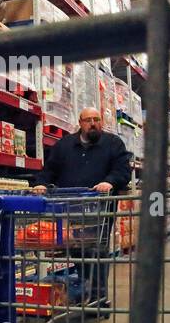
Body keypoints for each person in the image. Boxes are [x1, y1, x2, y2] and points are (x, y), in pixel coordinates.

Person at [31, 107, 131, 305]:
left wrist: (109, 182)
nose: (93, 123)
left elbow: (123, 171)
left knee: (97, 251)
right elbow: (50, 169)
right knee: (76, 249)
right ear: (80, 122)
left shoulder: (113, 144)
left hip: (100, 210)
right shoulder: (65, 145)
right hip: (72, 208)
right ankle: (87, 290)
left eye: (96, 119)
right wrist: (41, 183)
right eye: (88, 120)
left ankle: (98, 298)